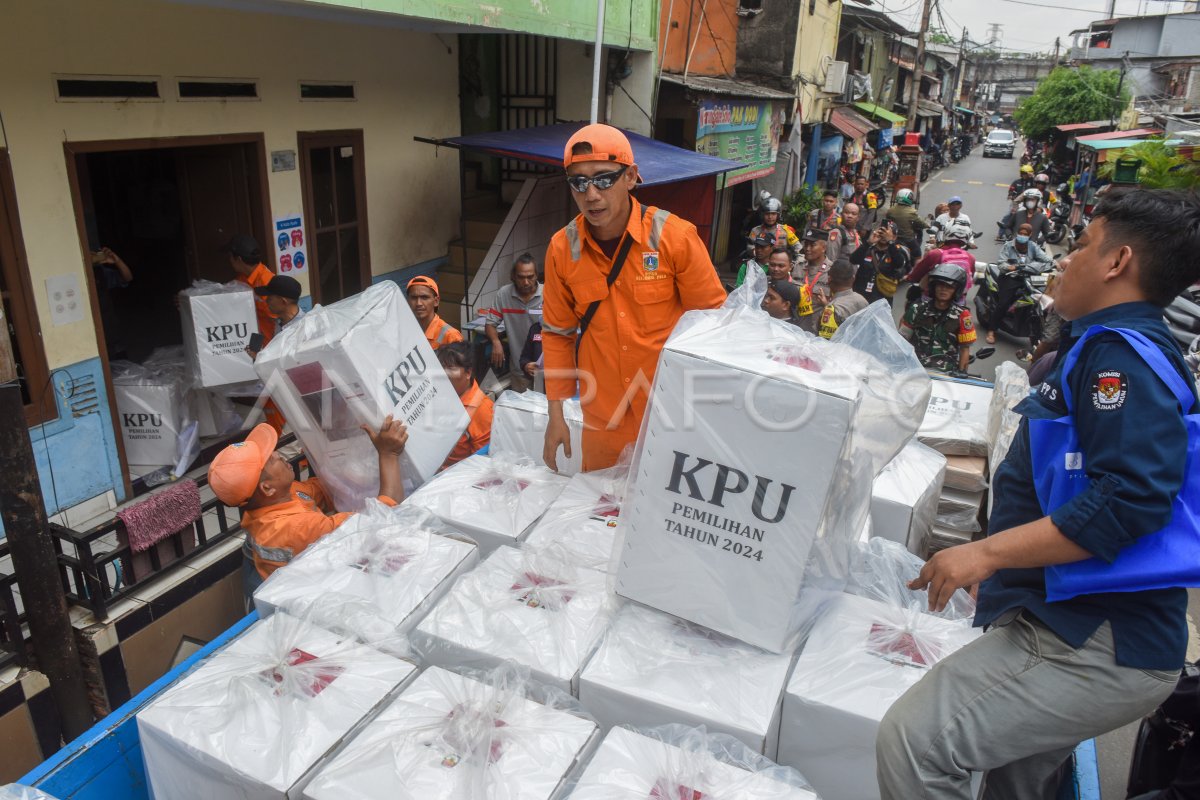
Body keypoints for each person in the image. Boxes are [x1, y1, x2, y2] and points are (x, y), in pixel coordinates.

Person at [877, 188, 1200, 800]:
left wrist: (986, 554)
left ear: (1117, 262)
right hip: (1074, 619)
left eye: (1082, 245)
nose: (1064, 259)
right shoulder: (1103, 344)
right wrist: (1011, 571)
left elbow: (1130, 498)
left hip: (1092, 636)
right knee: (1009, 786)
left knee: (916, 741)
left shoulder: (1119, 357)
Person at [541, 124, 725, 471]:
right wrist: (556, 414)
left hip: (670, 415)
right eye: (578, 182)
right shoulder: (562, 249)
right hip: (603, 417)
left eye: (603, 179)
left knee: (661, 502)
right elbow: (557, 334)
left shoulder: (674, 238)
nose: (591, 194)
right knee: (599, 502)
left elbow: (715, 327)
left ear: (630, 177)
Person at [208, 417, 408, 597]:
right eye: (270, 460)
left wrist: (359, 460)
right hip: (298, 595)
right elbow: (382, 517)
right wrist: (388, 454)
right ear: (267, 488)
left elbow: (327, 488)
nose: (278, 455)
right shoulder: (294, 527)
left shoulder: (283, 495)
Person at [983, 223, 1055, 345]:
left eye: (1025, 234)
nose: (1022, 236)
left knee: (1045, 292)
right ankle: (991, 330)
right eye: (1020, 233)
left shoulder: (1033, 246)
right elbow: (1001, 262)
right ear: (1017, 233)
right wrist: (1009, 267)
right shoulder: (1008, 246)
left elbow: (1045, 259)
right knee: (1003, 304)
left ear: (1030, 235)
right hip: (1010, 277)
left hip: (1029, 276)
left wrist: (1055, 263)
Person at [899, 262, 977, 374]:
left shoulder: (963, 315)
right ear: (933, 287)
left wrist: (962, 373)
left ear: (956, 290)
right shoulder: (916, 309)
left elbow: (965, 349)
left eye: (949, 286)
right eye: (940, 285)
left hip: (945, 373)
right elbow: (902, 339)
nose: (943, 289)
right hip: (915, 369)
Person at [482, 253, 543, 391]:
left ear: (536, 276)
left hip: (547, 371)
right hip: (519, 370)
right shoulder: (504, 294)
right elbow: (490, 324)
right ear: (513, 276)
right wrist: (496, 342)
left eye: (530, 277)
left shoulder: (548, 294)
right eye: (521, 277)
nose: (526, 282)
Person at [437, 342, 494, 468]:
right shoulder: (443, 396)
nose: (444, 375)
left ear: (468, 373)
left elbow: (482, 462)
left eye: (451, 369)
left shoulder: (481, 409)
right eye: (441, 369)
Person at [227, 234, 276, 346]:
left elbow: (279, 320)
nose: (230, 261)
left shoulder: (266, 281)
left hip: (270, 344)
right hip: (254, 338)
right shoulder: (243, 278)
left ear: (239, 259)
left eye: (230, 257)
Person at [908, 221, 976, 302]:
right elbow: (968, 279)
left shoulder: (935, 254)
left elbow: (917, 274)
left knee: (912, 301)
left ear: (946, 233)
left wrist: (909, 278)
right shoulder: (970, 258)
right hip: (957, 300)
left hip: (930, 298)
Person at [90, 246, 133, 360]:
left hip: (108, 324)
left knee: (119, 359)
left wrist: (117, 261)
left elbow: (127, 277)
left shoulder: (99, 271)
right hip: (91, 329)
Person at [850, 225, 910, 303]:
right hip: (861, 295)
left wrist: (890, 242)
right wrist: (868, 243)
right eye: (881, 232)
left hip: (881, 298)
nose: (883, 236)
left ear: (894, 237)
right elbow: (853, 260)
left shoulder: (896, 251)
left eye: (887, 234)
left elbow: (899, 263)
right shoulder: (868, 248)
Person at [406, 275, 463, 350]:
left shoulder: (451, 336)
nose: (418, 303)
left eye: (424, 297)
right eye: (414, 298)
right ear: (408, 301)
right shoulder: (403, 330)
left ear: (436, 301)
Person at [818, 258, 869, 339]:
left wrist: (827, 307)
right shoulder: (862, 301)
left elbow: (825, 341)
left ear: (829, 279)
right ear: (853, 278)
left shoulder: (832, 309)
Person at [794, 234, 832, 334]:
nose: (807, 248)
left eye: (812, 245)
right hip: (795, 327)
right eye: (806, 244)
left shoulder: (832, 271)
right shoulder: (798, 266)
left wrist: (827, 305)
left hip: (817, 330)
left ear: (824, 248)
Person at [748, 197, 802, 262]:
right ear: (762, 215)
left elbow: (798, 247)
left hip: (780, 264)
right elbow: (750, 246)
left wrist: (799, 260)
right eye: (767, 214)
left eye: (773, 214)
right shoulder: (755, 231)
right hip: (761, 264)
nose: (770, 217)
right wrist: (756, 252)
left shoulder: (786, 230)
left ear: (778, 215)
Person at [886, 188, 927, 256]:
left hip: (892, 237)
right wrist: (928, 225)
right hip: (907, 238)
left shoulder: (890, 210)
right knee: (918, 255)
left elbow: (887, 220)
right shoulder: (912, 212)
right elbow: (922, 224)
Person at [520, 321, 543, 388]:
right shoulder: (536, 328)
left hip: (564, 385)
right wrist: (527, 366)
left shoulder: (568, 330)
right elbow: (525, 357)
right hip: (540, 385)